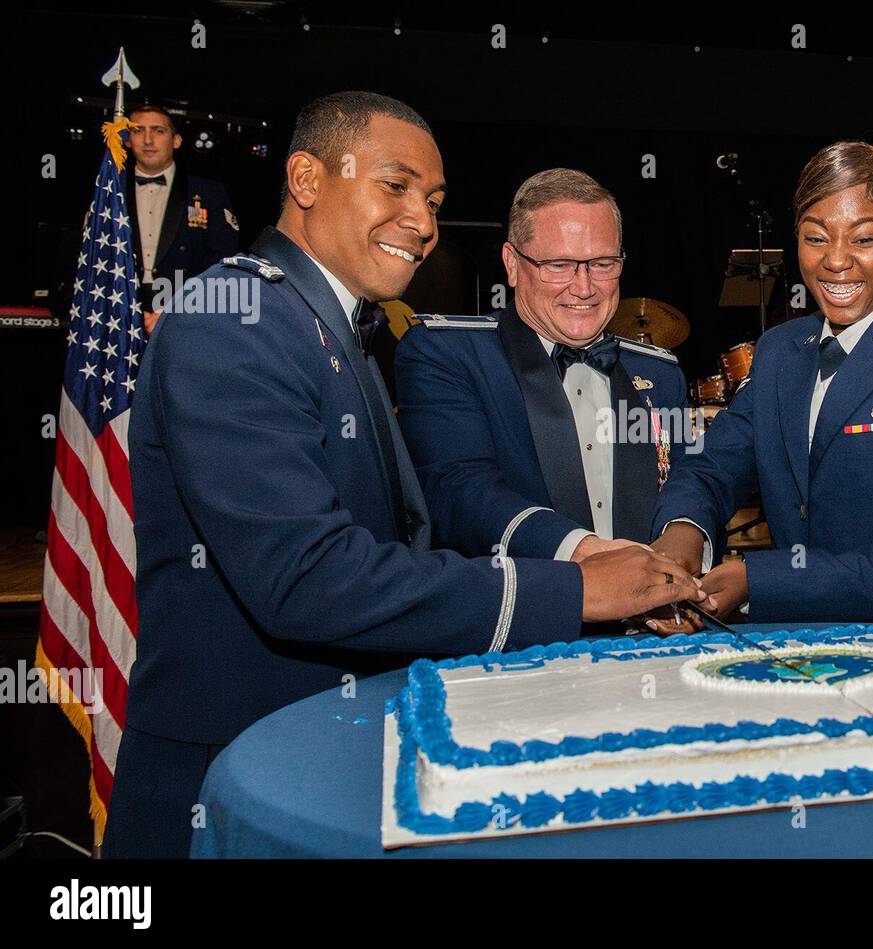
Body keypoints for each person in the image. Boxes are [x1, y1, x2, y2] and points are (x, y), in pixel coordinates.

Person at [104, 92, 706, 858]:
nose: (422, 220)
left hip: (313, 753)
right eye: (395, 186)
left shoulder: (323, 326)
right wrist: (578, 586)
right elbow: (307, 579)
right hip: (226, 784)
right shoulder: (238, 320)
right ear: (307, 178)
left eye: (434, 199)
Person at [651, 141, 873, 623]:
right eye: (816, 238)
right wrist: (681, 533)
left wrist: (759, 581)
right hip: (789, 650)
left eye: (863, 239)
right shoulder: (779, 350)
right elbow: (712, 468)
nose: (835, 261)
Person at [394, 169, 695, 569]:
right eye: (558, 265)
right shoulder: (446, 353)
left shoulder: (660, 374)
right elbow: (459, 493)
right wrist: (585, 555)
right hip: (525, 619)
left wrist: (685, 540)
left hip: (652, 622)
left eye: (602, 263)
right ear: (512, 264)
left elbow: (688, 484)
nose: (585, 287)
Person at [124, 103, 240, 334]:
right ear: (127, 140)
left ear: (176, 140)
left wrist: (175, 311)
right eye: (138, 130)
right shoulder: (110, 192)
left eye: (158, 131)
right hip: (119, 311)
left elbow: (222, 261)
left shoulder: (209, 193)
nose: (148, 140)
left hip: (184, 315)